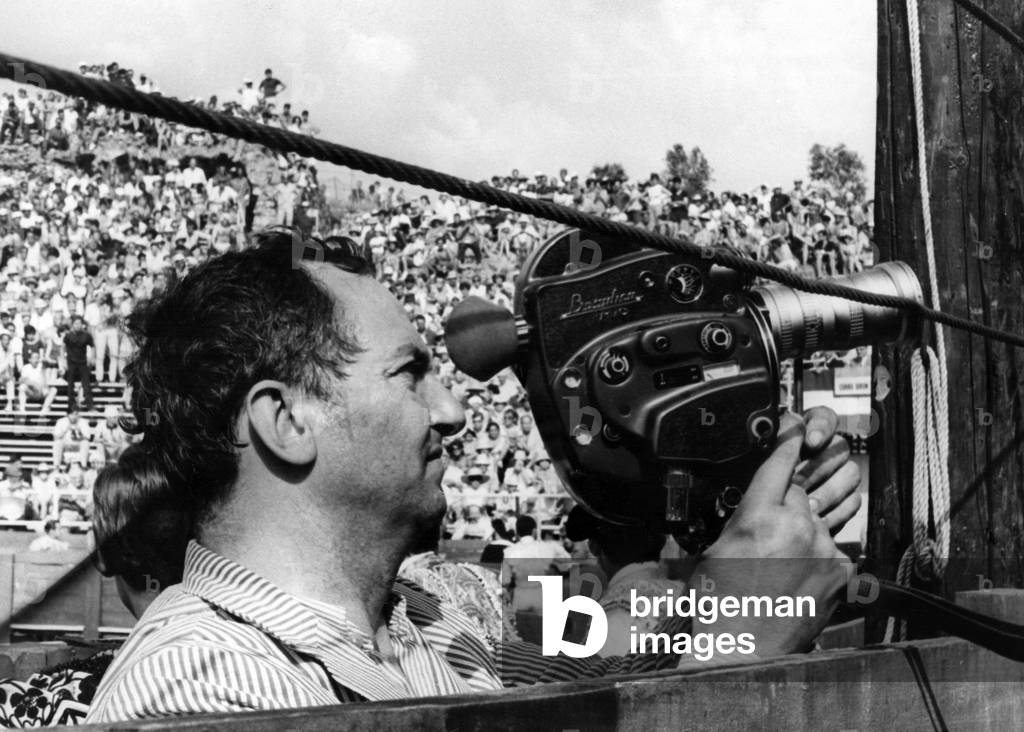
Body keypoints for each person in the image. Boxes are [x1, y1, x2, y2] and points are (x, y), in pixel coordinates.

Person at [86, 229, 859, 721]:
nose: (454, 407)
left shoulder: (433, 616)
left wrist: (746, 534)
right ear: (286, 422)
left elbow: (622, 657)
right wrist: (736, 659)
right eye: (410, 373)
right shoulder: (201, 686)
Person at [63, 315, 94, 412]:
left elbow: (92, 346)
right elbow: (62, 347)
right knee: (70, 386)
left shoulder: (86, 335)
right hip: (71, 362)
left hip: (83, 363)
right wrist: (63, 360)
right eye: (76, 323)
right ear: (72, 325)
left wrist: (91, 357)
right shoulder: (68, 336)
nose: (78, 325)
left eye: (80, 323)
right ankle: (70, 407)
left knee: (86, 385)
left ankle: (90, 406)